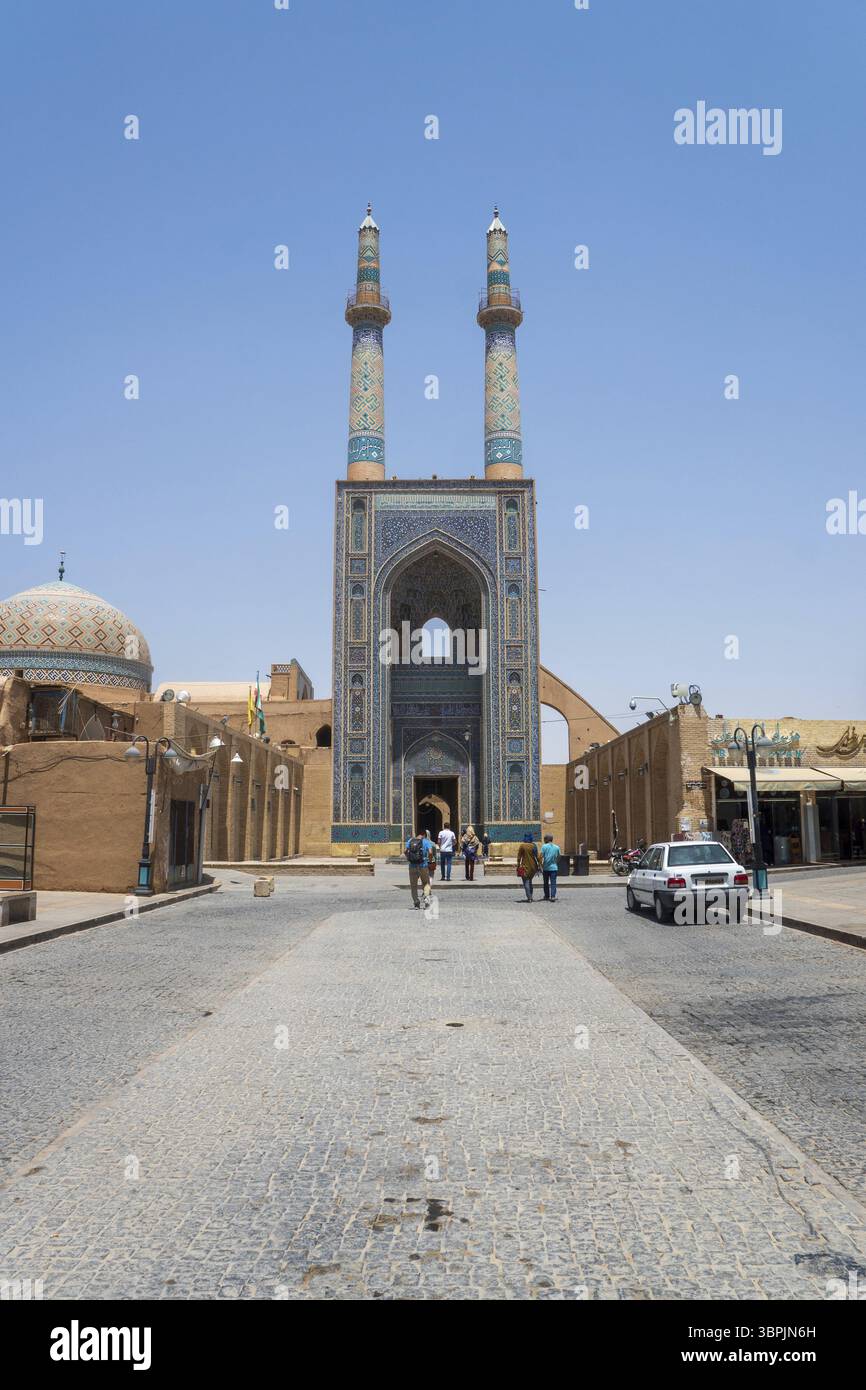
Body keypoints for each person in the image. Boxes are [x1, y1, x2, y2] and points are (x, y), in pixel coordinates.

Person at [405, 827, 436, 910]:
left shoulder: (410, 841)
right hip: (423, 865)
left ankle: (416, 903)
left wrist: (409, 859)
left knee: (413, 885)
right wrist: (429, 860)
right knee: (426, 884)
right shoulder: (426, 842)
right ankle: (426, 903)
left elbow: (405, 851)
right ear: (424, 834)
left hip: (412, 866)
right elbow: (430, 852)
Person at [516, 832, 541, 902]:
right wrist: (540, 865)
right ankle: (531, 896)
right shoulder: (534, 846)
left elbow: (519, 857)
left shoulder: (522, 846)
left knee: (526, 882)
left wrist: (518, 865)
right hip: (533, 867)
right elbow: (537, 857)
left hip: (525, 866)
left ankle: (529, 897)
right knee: (530, 881)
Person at [541, 833, 561, 901]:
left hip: (546, 868)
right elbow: (559, 857)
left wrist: (540, 864)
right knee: (553, 883)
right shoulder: (557, 847)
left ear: (546, 839)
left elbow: (541, 856)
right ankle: (553, 896)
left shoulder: (544, 847)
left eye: (544, 839)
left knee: (545, 883)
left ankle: (547, 896)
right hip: (554, 868)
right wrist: (555, 862)